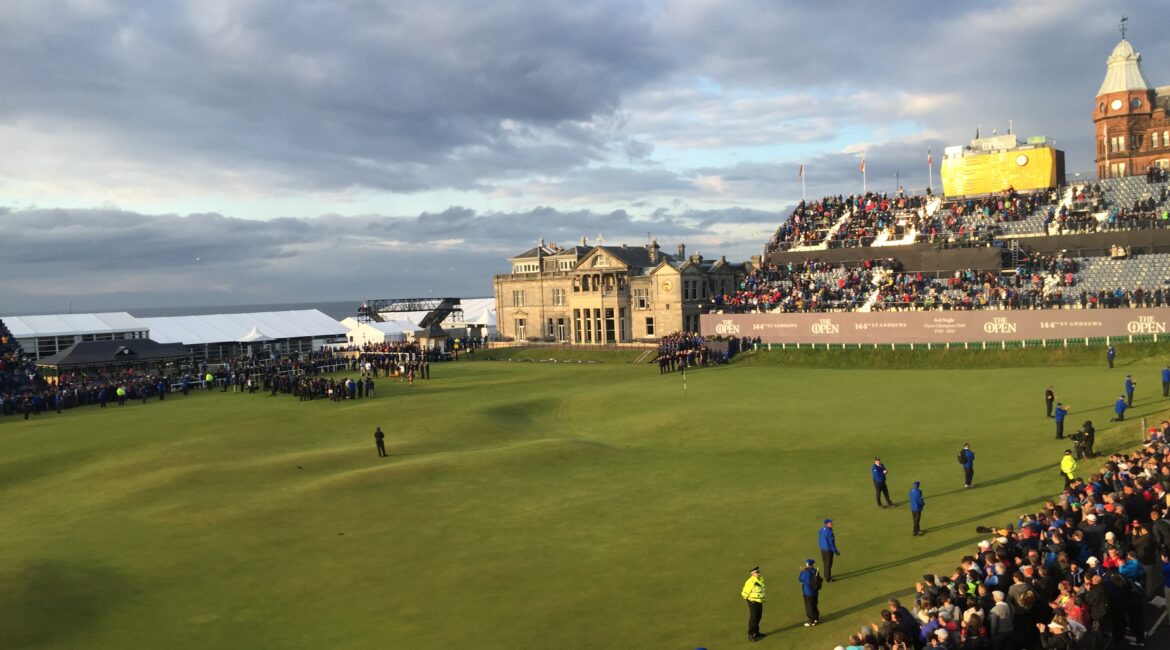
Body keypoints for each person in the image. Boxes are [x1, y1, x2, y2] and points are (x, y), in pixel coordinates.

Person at [741, 566, 766, 642]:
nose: (759, 573)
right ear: (753, 574)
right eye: (757, 572)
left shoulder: (760, 580)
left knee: (759, 617)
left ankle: (756, 632)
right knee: (753, 618)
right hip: (753, 602)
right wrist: (750, 601)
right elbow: (744, 593)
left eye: (759, 572)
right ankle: (751, 634)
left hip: (759, 601)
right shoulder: (750, 582)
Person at [798, 559, 820, 627]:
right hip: (815, 592)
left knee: (809, 607)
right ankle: (816, 618)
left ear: (808, 564)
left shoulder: (806, 572)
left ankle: (811, 621)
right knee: (814, 605)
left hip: (808, 592)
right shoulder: (815, 570)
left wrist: (802, 571)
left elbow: (800, 579)